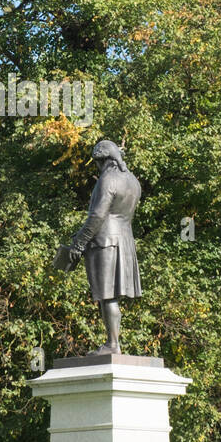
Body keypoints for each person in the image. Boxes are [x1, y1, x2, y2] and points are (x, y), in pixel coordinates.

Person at [59, 139, 142, 354]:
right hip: (124, 241)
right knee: (111, 295)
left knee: (107, 295)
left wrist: (79, 243)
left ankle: (112, 345)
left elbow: (97, 215)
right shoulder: (132, 180)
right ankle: (112, 343)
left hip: (105, 242)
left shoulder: (107, 179)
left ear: (102, 159)